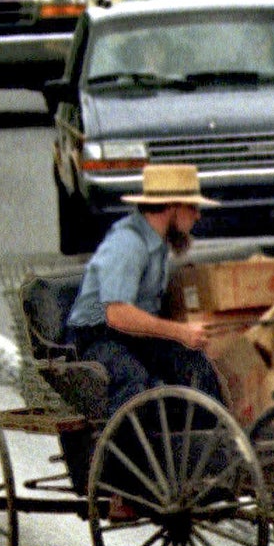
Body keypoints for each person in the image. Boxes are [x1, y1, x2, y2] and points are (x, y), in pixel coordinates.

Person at [64, 163, 223, 415]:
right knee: (136, 387)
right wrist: (179, 331)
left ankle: (207, 444)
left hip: (134, 338)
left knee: (194, 367)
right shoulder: (128, 244)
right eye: (192, 208)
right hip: (97, 339)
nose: (197, 216)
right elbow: (117, 314)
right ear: (172, 208)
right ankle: (122, 452)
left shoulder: (157, 244)